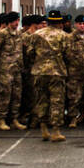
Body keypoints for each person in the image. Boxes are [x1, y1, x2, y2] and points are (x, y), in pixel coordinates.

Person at [28, 11, 69, 141]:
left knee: (41, 100)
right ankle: (56, 131)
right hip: (56, 72)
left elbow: (29, 53)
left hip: (39, 71)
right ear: (59, 22)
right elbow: (68, 54)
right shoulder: (63, 36)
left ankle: (44, 129)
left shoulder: (36, 35)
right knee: (56, 101)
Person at [0, 13, 28, 130]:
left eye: (18, 20)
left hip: (17, 68)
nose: (17, 23)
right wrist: (1, 63)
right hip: (5, 69)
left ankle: (14, 119)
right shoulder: (1, 33)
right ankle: (1, 119)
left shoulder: (19, 34)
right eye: (14, 21)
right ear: (9, 22)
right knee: (4, 94)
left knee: (16, 95)